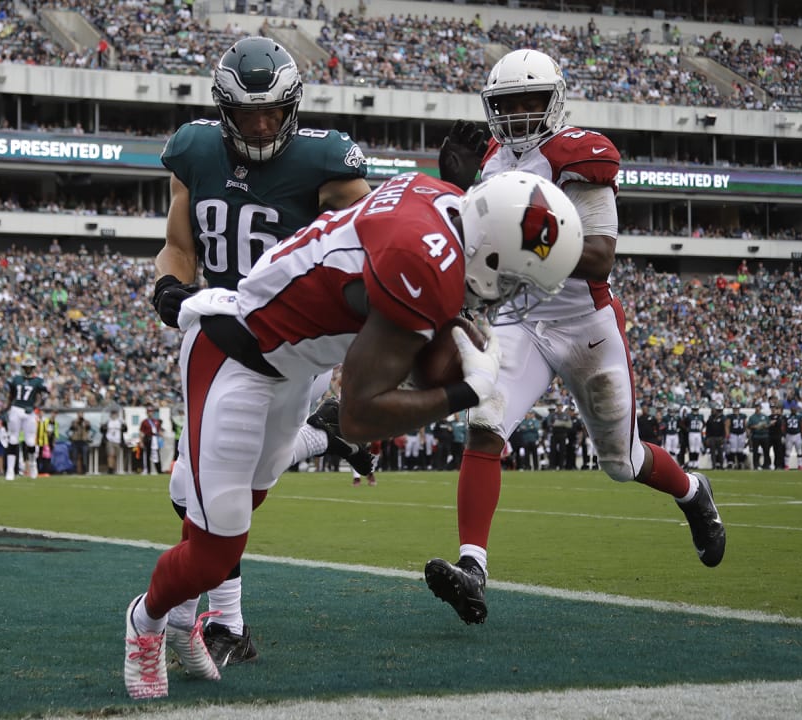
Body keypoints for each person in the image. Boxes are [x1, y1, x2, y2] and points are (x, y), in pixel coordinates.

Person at [122, 170, 583, 699]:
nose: (511, 294)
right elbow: (361, 415)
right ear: (493, 252)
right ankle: (147, 620)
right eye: (515, 280)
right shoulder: (423, 264)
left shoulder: (446, 200)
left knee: (234, 516)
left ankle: (183, 620)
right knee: (215, 549)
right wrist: (466, 393)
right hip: (233, 355)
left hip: (290, 368)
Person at [425, 48, 725, 627]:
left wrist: (517, 229)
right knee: (485, 422)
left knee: (622, 460)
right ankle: (473, 565)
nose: (517, 113)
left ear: (553, 101)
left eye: (529, 100)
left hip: (583, 325)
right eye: (507, 103)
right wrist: (457, 196)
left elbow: (599, 258)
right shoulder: (488, 161)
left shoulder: (572, 157)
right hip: (517, 321)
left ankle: (692, 491)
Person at [149, 36, 374, 667]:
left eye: (271, 113)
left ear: (292, 107)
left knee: (232, 484)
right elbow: (178, 243)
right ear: (224, 109)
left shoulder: (326, 162)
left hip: (289, 342)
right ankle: (226, 623)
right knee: (199, 489)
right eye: (246, 114)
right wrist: (170, 283)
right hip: (215, 331)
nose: (259, 125)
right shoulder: (193, 150)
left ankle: (213, 622)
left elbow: (376, 240)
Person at [5, 357, 47, 480]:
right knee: (13, 439)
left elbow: (42, 396)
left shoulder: (38, 381)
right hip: (16, 408)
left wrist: (35, 406)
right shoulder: (16, 379)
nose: (28, 370)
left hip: (29, 411)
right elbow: (11, 395)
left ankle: (33, 465)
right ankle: (10, 470)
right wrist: (7, 408)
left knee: (30, 441)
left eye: (29, 368)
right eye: (26, 368)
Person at [102, 410, 123, 474]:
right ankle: (110, 468)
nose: (114, 415)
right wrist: (104, 427)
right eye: (112, 414)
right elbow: (102, 429)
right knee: (110, 454)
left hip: (117, 440)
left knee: (115, 455)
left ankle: (113, 468)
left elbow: (125, 429)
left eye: (115, 414)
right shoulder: (108, 422)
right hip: (110, 440)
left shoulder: (120, 422)